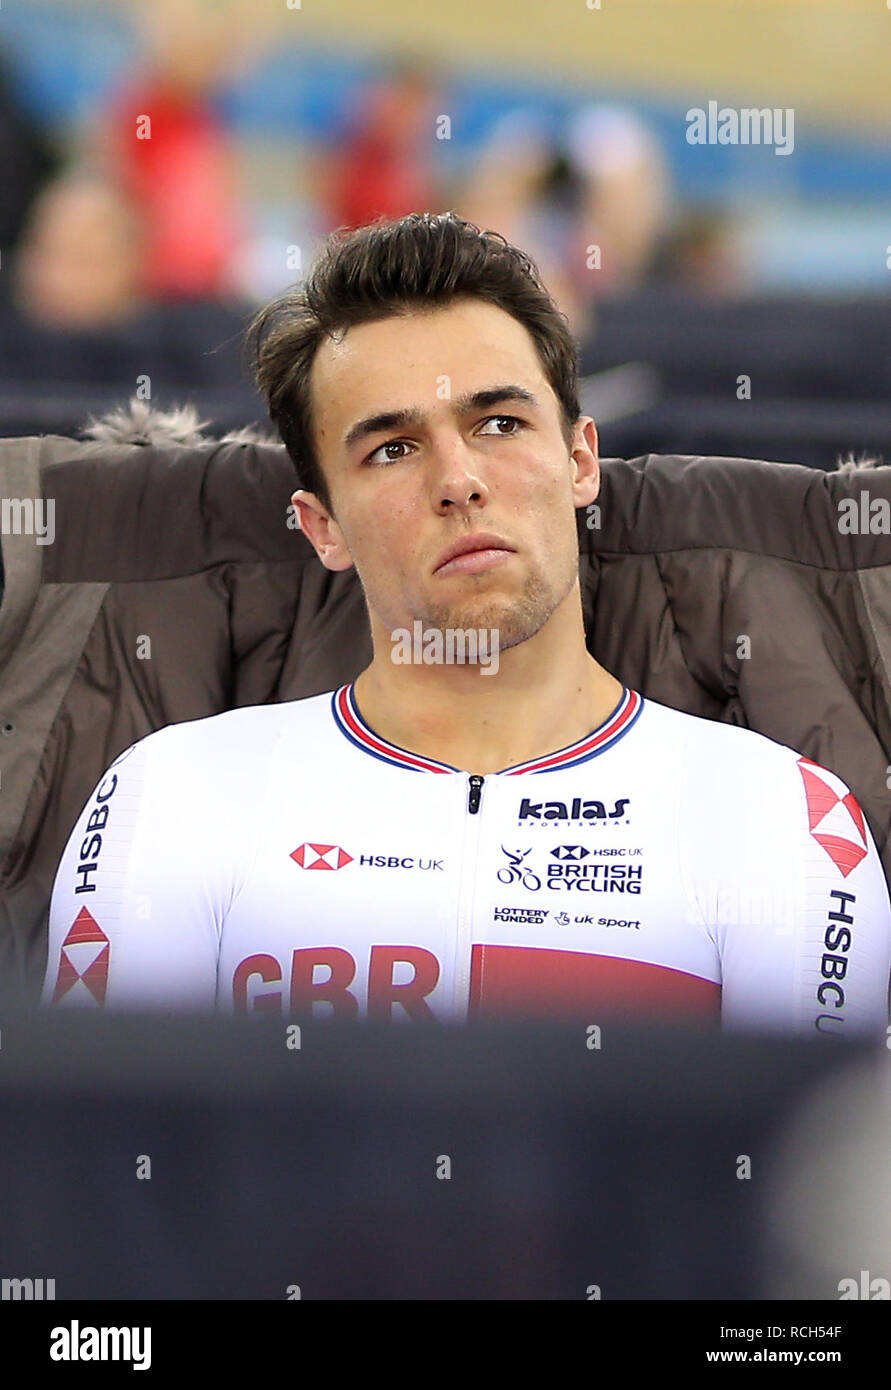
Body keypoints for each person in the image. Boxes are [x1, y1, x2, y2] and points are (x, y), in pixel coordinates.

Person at [43, 212, 891, 1036]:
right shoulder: (173, 794)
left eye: (498, 424)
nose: (459, 480)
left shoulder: (779, 814)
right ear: (322, 526)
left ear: (580, 461)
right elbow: (110, 1165)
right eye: (392, 448)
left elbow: (795, 1173)